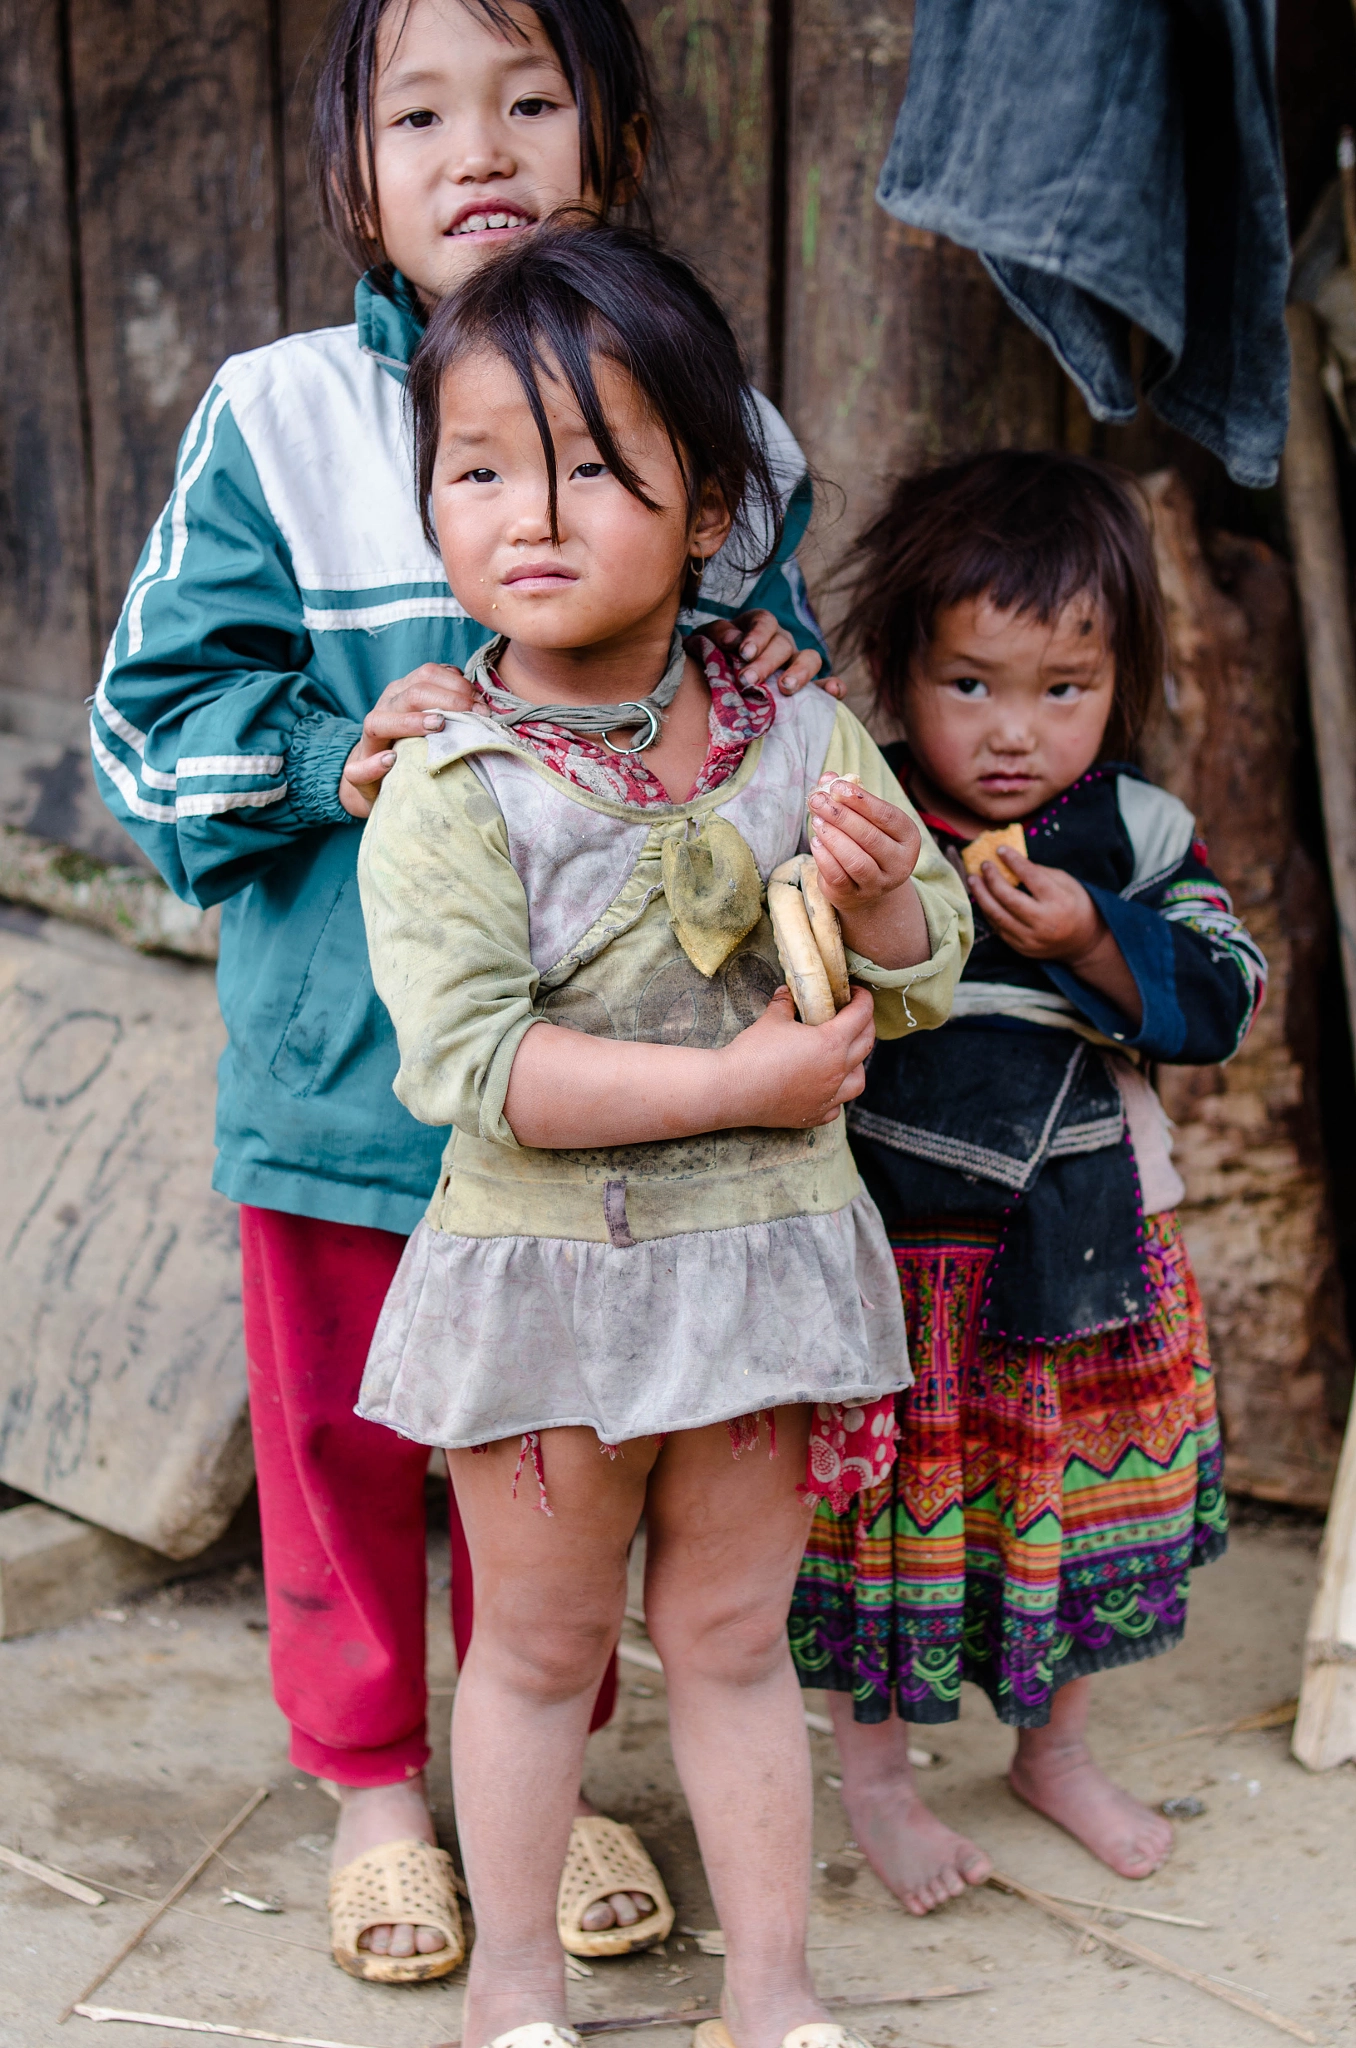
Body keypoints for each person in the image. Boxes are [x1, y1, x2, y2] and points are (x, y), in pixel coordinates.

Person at [89, 0, 838, 1982]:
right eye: (419, 109)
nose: (476, 146)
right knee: (345, 1454)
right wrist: (335, 746)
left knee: (572, 1451)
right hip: (356, 1086)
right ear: (352, 160)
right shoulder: (277, 418)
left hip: (634, 1108)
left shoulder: (711, 413)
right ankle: (370, 1789)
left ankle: (549, 1758)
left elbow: (780, 684)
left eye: (528, 98)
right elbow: (140, 725)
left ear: (618, 138)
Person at [354, 219, 970, 2048]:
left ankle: (772, 1996)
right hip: (545, 1288)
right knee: (537, 1654)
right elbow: (480, 1068)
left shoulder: (803, 736)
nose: (530, 514)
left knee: (724, 1645)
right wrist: (728, 1085)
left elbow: (926, 969)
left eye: (595, 468)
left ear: (710, 509)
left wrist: (872, 914)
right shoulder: (452, 787)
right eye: (480, 469)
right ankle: (515, 1995)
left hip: (760, 1277)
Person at [789, 451, 1266, 1915]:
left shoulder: (1135, 837)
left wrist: (1095, 938)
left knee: (1057, 1510)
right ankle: (875, 1784)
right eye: (970, 683)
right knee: (881, 1531)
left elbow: (1229, 993)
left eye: (1065, 688)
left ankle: (1051, 1751)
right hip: (898, 1260)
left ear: (1120, 679)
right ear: (894, 670)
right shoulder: (853, 808)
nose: (1015, 735)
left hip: (1082, 1252)